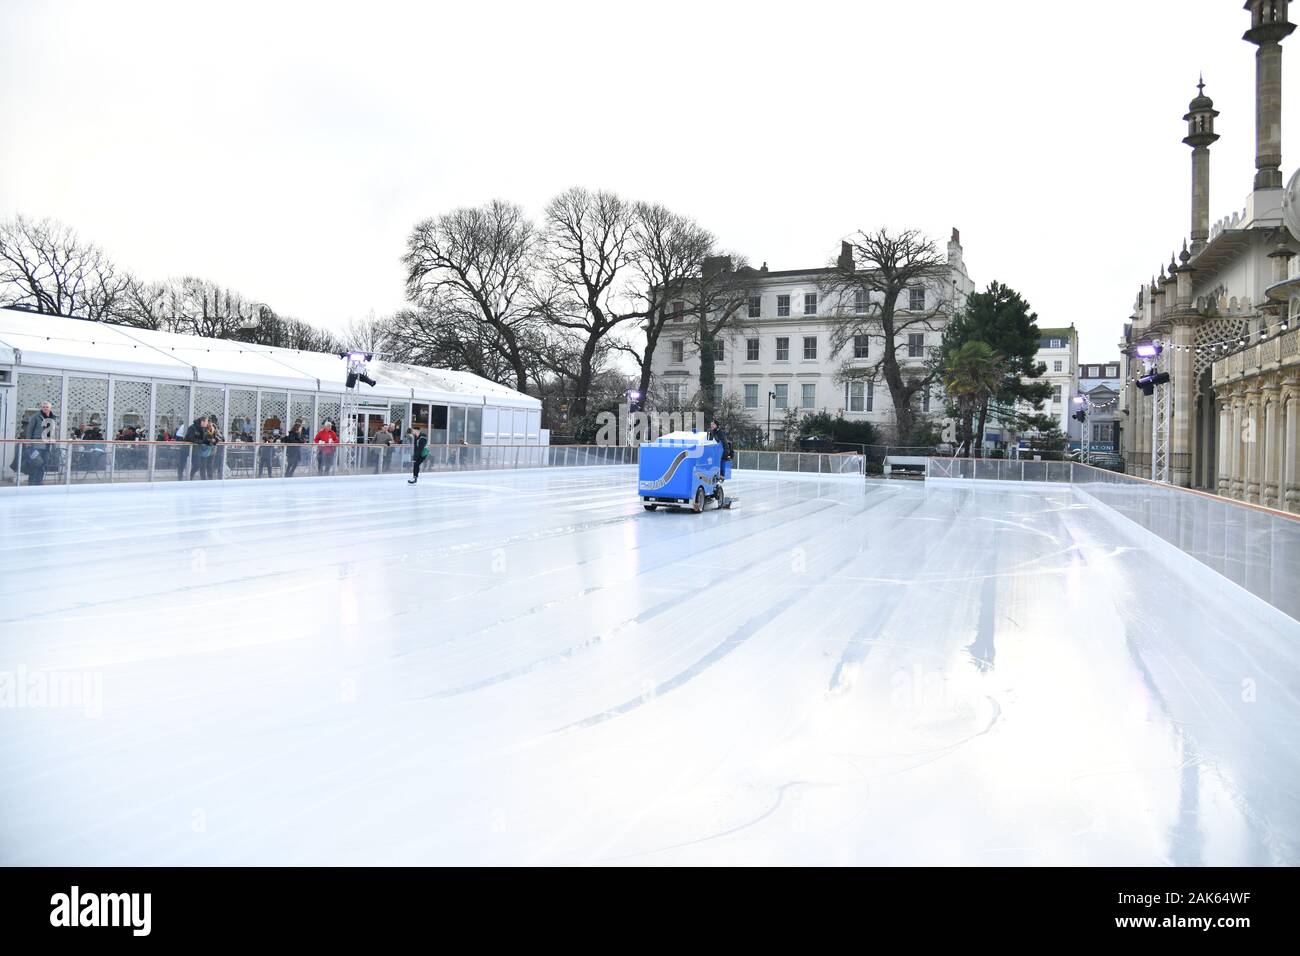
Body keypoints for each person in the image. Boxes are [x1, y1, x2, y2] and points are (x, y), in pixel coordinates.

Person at [17, 401, 58, 485]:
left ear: (50, 408)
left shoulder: (53, 418)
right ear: (41, 408)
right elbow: (29, 430)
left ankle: (39, 482)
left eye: (47, 407)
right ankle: (31, 482)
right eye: (44, 407)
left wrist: (53, 440)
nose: (45, 408)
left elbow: (52, 431)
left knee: (43, 464)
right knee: (35, 463)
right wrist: (29, 443)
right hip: (36, 445)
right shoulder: (35, 417)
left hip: (48, 445)